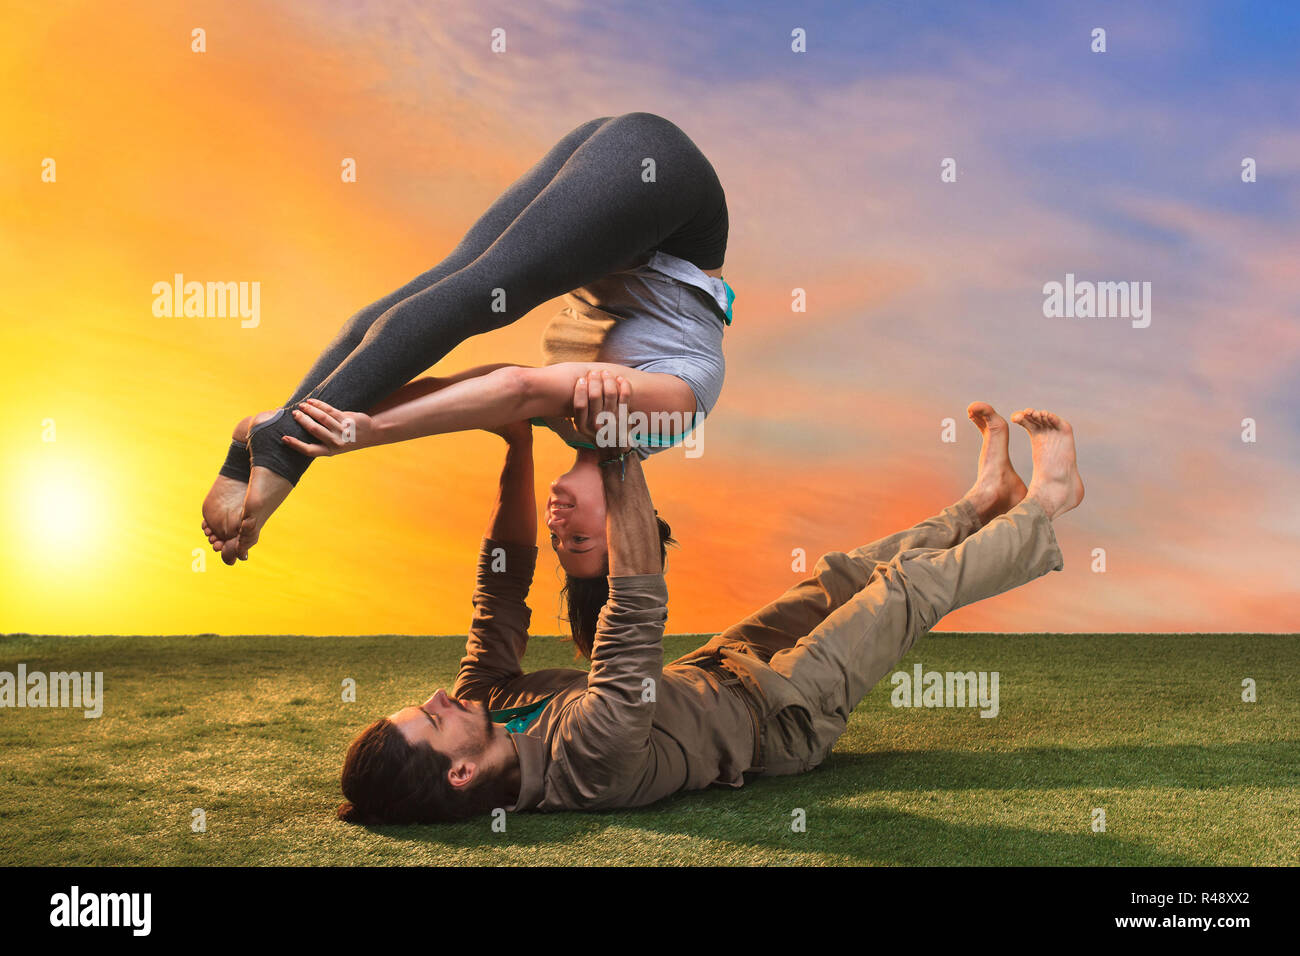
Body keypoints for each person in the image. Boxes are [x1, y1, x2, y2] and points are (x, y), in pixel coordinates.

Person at [335, 397, 1085, 823]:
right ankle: (1051, 502)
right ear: (462, 773)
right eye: (431, 720)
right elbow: (633, 607)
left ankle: (986, 501)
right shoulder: (585, 765)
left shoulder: (487, 703)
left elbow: (497, 591)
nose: (438, 697)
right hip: (781, 718)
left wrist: (514, 443)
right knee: (903, 591)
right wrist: (620, 444)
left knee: (846, 575)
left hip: (715, 671)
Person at [201, 112, 733, 570]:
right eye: (581, 539)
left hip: (617, 165)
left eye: (556, 541)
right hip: (666, 179)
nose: (556, 524)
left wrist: (297, 422)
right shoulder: (665, 420)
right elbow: (517, 387)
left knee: (449, 285)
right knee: (482, 292)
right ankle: (284, 454)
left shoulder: (576, 430)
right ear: (626, 524)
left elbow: (463, 385)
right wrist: (367, 434)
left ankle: (274, 437)